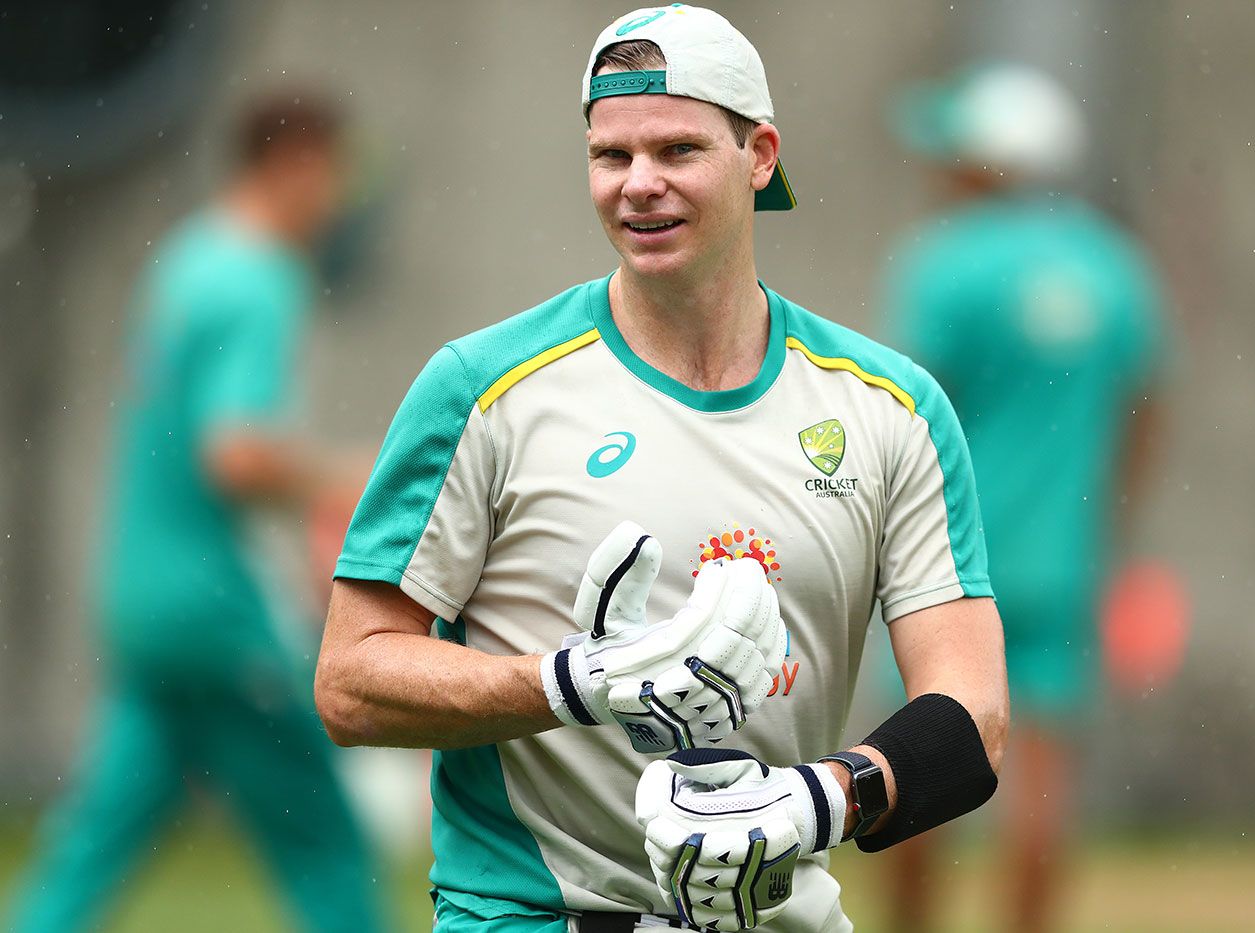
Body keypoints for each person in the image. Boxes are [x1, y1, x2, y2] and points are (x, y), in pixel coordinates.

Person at [315, 7, 1009, 932]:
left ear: (760, 156)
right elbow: (350, 681)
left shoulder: (893, 408)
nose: (638, 185)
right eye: (612, 156)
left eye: (678, 150)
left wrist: (818, 801)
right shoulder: (480, 389)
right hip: (532, 914)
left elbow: (973, 713)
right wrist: (575, 682)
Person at [5, 94, 384, 933]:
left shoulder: (189, 259)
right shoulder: (259, 278)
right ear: (297, 163)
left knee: (96, 842)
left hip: (143, 600)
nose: (338, 198)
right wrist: (339, 477)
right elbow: (236, 452)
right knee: (323, 839)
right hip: (219, 615)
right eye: (336, 175)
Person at [880, 64, 1167, 932]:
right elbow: (1145, 407)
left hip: (950, 563)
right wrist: (1103, 521)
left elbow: (910, 409)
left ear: (990, 167)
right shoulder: (1114, 266)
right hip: (1064, 555)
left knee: (918, 766)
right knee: (1041, 781)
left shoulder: (947, 262)